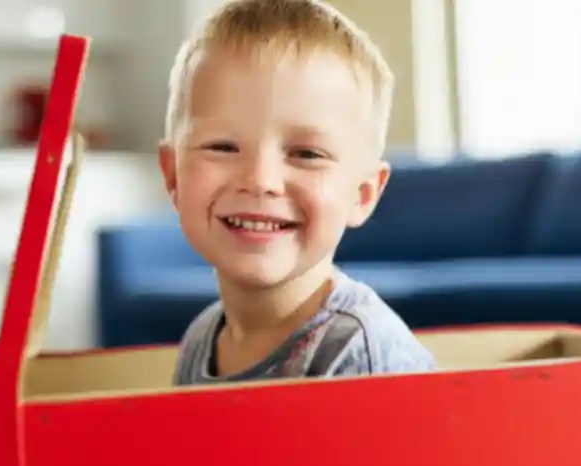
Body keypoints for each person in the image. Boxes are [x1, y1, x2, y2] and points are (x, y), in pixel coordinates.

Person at [158, 0, 436, 385]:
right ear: (173, 176)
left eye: (306, 154)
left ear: (362, 194)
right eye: (223, 147)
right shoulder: (201, 339)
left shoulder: (357, 353)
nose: (260, 180)